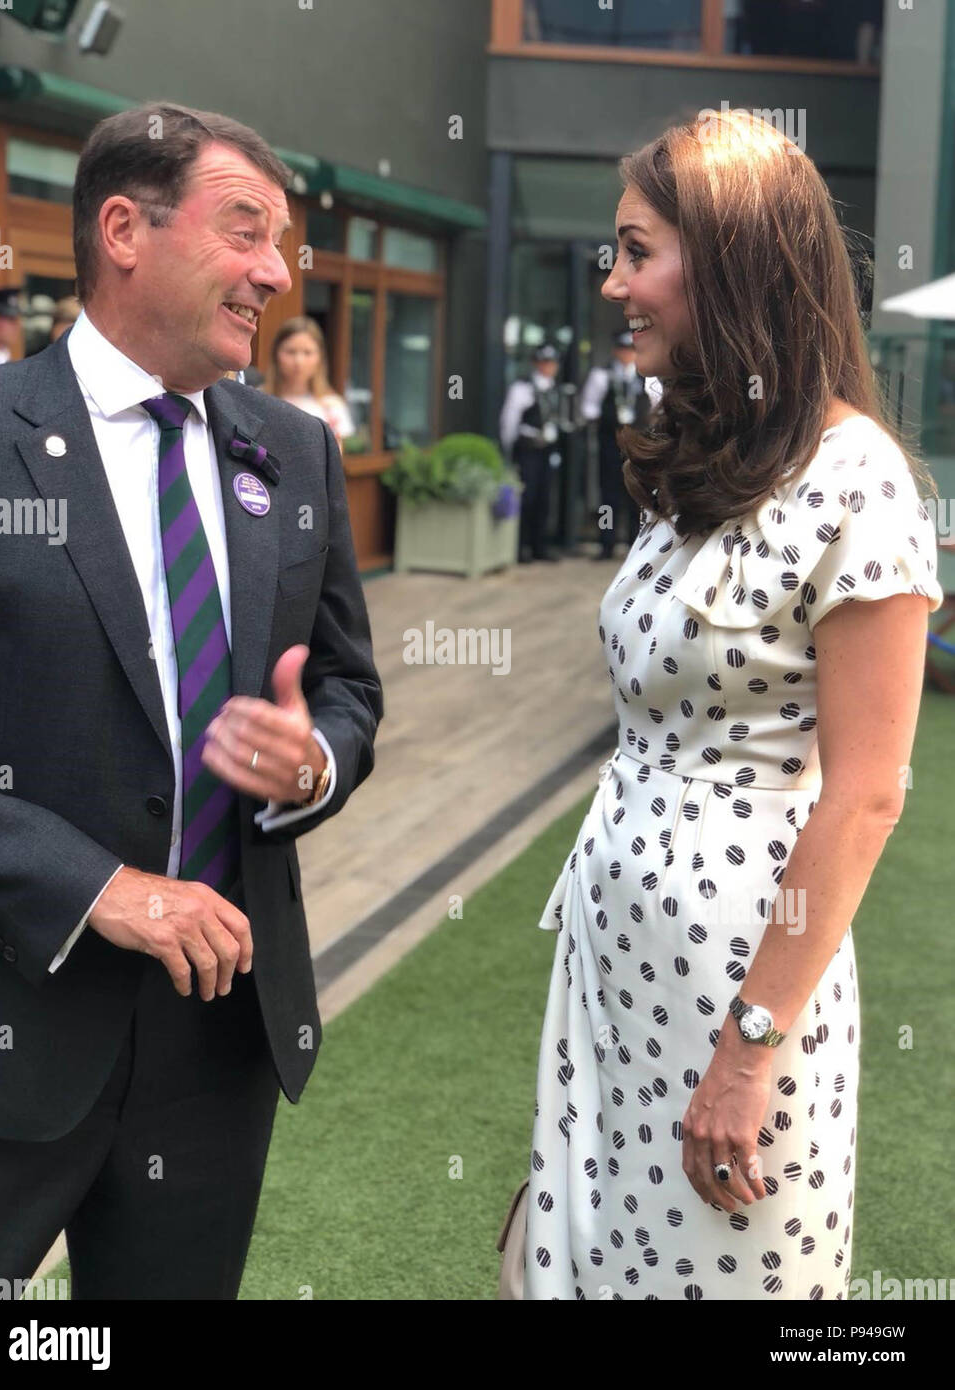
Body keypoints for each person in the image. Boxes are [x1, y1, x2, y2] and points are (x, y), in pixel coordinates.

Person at [0, 101, 383, 1299]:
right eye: (247, 230)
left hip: (217, 1039)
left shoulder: (293, 453)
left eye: (285, 242)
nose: (274, 273)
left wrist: (316, 765)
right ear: (123, 228)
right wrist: (99, 888)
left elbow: (347, 685)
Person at [523, 108, 944, 1300]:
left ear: (736, 257)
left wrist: (751, 1052)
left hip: (744, 981)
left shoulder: (857, 479)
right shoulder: (706, 458)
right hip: (622, 955)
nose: (613, 283)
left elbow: (867, 794)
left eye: (637, 250)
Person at [580, 328, 661, 560]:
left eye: (631, 350)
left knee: (638, 493)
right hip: (611, 441)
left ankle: (635, 543)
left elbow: (656, 405)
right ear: (616, 351)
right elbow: (589, 407)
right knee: (609, 494)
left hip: (638, 443)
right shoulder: (602, 375)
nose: (627, 355)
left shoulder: (645, 376)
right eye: (623, 350)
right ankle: (607, 542)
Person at [499, 342, 563, 563]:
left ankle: (539, 546)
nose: (548, 367)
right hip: (528, 450)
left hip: (547, 449)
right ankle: (519, 547)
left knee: (545, 498)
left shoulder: (555, 388)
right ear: (536, 363)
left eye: (552, 363)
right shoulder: (522, 388)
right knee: (527, 497)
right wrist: (509, 448)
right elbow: (509, 421)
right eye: (544, 362)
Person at [265, 315, 355, 452]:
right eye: (290, 352)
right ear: (276, 353)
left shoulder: (332, 406)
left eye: (307, 353)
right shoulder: (259, 398)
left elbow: (335, 463)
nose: (298, 362)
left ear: (319, 357)